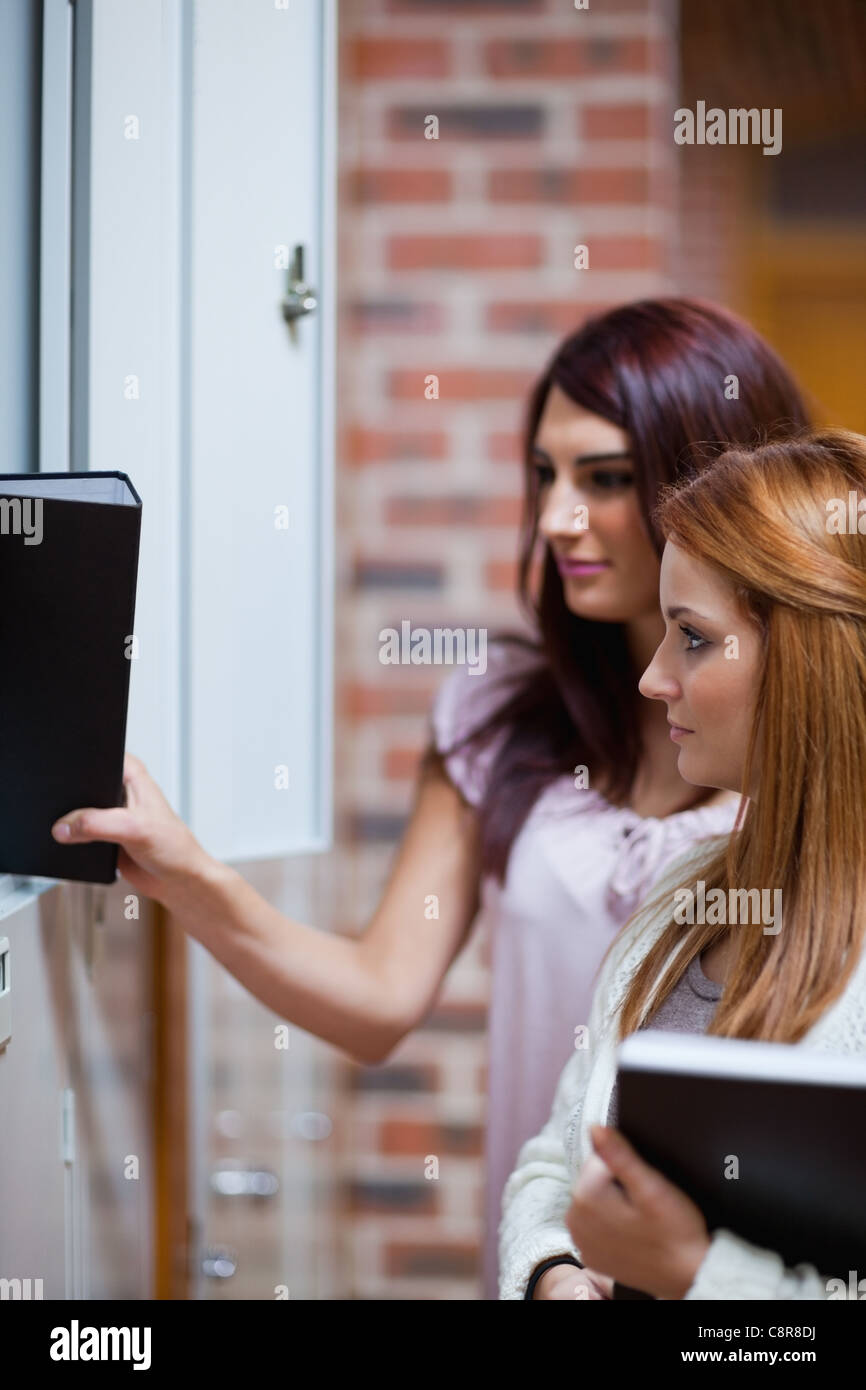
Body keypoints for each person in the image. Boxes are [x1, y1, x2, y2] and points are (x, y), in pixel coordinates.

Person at [50, 298, 809, 1298]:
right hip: (542, 1258)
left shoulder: (806, 758)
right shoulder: (498, 717)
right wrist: (189, 874)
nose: (554, 519)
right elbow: (377, 1001)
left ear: (714, 481)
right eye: (543, 475)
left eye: (604, 478)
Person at [500, 428, 866, 1301]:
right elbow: (556, 1159)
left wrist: (698, 1280)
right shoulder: (681, 899)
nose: (653, 678)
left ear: (811, 658)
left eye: (693, 638)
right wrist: (549, 1269)